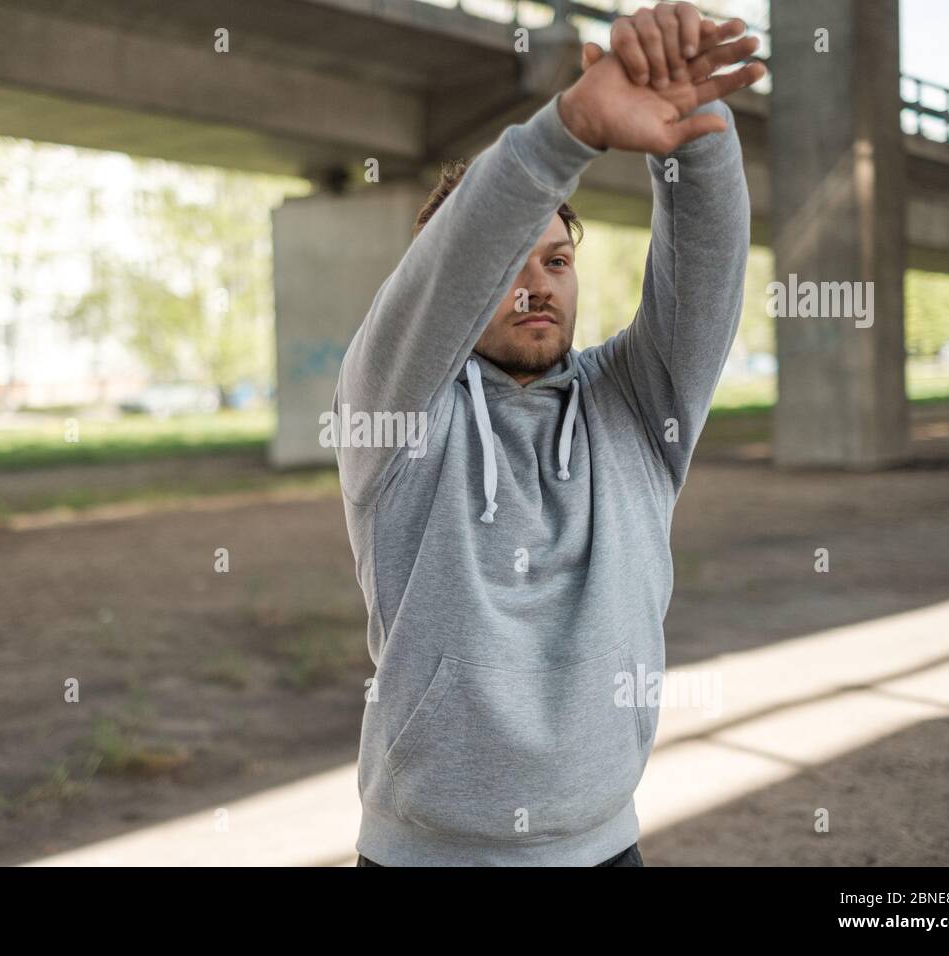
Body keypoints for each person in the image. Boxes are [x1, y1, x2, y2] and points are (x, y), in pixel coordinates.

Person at [334, 1, 763, 866]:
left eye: (556, 262)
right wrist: (562, 132)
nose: (537, 287)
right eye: (507, 267)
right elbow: (438, 286)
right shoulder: (394, 415)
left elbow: (707, 275)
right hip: (424, 856)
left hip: (603, 850)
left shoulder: (639, 407)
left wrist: (698, 129)